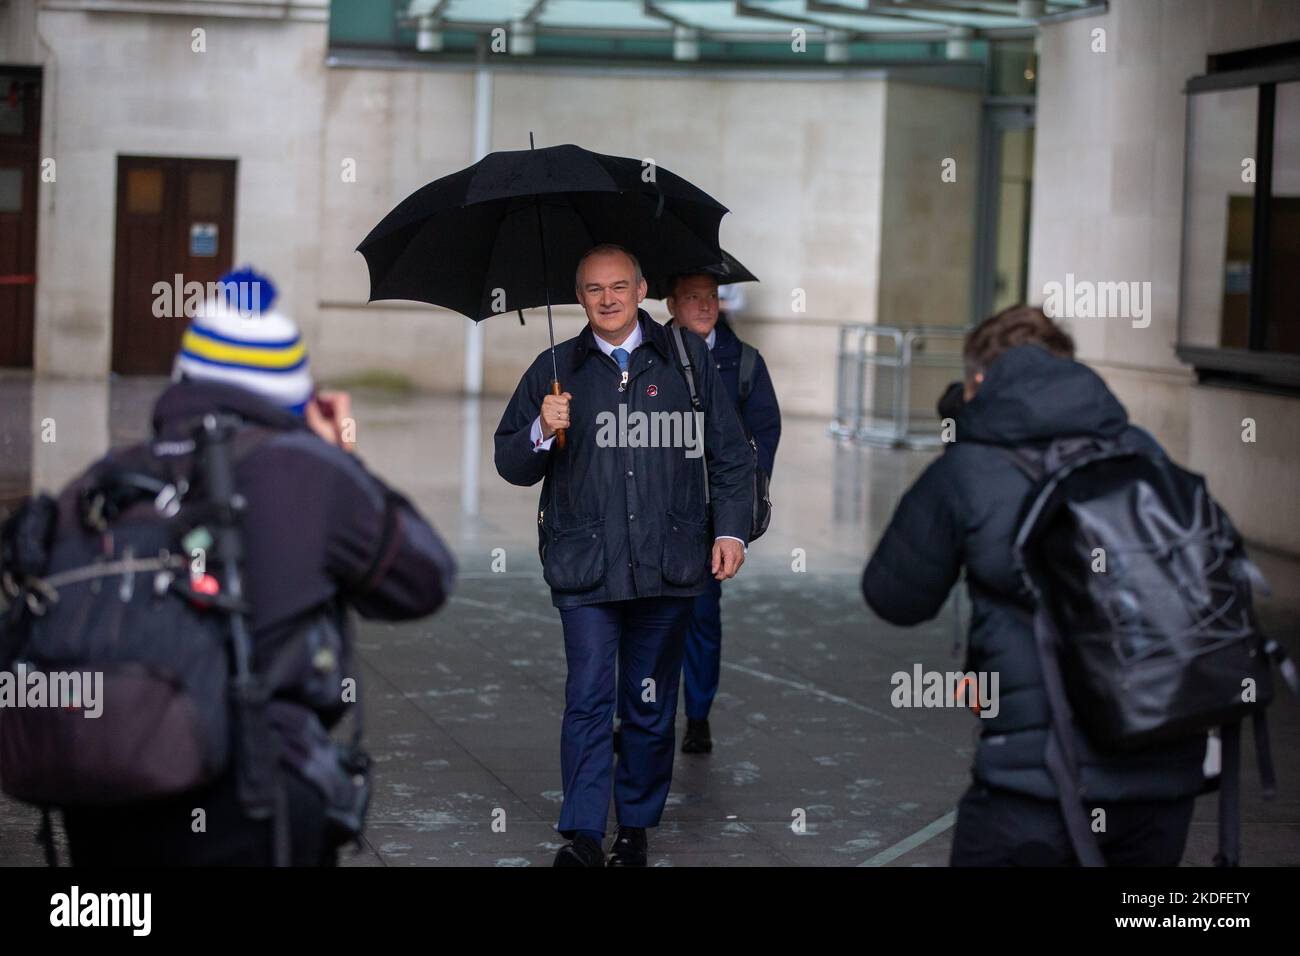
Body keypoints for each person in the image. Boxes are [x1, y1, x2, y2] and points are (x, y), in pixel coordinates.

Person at [60, 267, 457, 866]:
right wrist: (345, 459)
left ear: (183, 381)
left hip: (106, 791)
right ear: (293, 397)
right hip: (257, 795)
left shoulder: (105, 478)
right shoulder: (310, 473)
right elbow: (424, 579)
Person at [861, 305, 1205, 866]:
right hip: (1164, 770)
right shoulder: (1142, 448)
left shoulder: (970, 468)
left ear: (977, 382)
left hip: (1034, 784)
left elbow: (895, 597)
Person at [494, 245, 754, 866]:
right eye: (592, 289)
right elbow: (511, 464)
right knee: (587, 695)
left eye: (618, 286)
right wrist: (540, 427)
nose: (607, 299)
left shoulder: (687, 358)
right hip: (586, 562)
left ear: (642, 290)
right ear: (578, 297)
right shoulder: (554, 367)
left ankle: (634, 826)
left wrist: (732, 532)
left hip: (670, 561)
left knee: (646, 700)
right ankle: (583, 832)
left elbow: (730, 455)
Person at [665, 272, 780, 754]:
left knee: (702, 618)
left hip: (711, 513)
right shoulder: (654, 354)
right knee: (646, 621)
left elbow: (764, 434)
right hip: (662, 508)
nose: (705, 306)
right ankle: (639, 713)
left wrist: (738, 502)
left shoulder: (745, 362)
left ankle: (698, 715)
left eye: (711, 297)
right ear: (672, 303)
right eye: (693, 297)